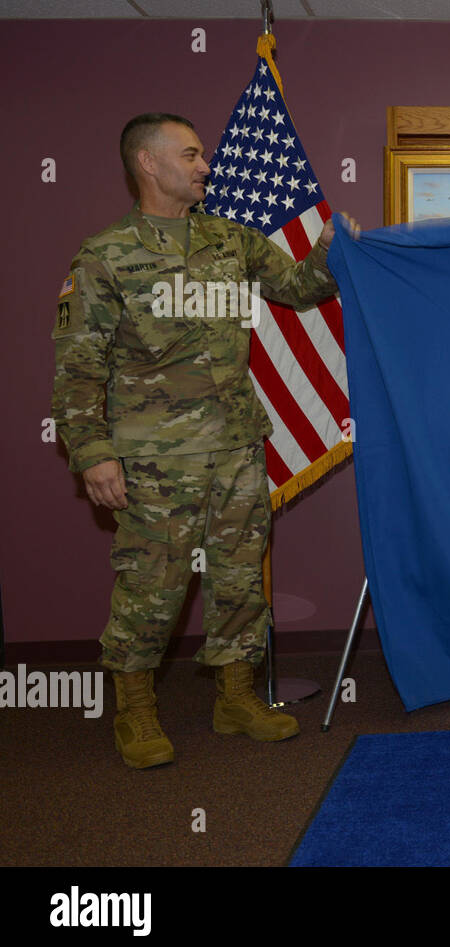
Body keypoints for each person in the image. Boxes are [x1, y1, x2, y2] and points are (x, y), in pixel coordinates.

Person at [51, 113, 360, 768]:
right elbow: (78, 366)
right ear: (148, 164)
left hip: (237, 447)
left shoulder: (230, 240)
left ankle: (236, 698)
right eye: (190, 155)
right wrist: (92, 451)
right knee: (152, 586)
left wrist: (330, 247)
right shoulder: (105, 255)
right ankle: (135, 711)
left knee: (240, 580)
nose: (204, 167)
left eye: (204, 156)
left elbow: (299, 290)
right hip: (153, 460)